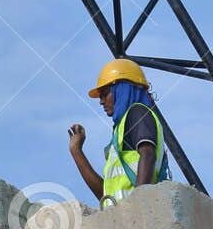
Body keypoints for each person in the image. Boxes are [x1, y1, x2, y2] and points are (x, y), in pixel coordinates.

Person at [68, 57, 171, 206]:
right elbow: (105, 197)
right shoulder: (120, 132)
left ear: (122, 89)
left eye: (105, 93)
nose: (101, 101)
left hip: (137, 218)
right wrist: (76, 151)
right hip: (123, 221)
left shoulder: (138, 112)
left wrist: (136, 207)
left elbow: (148, 155)